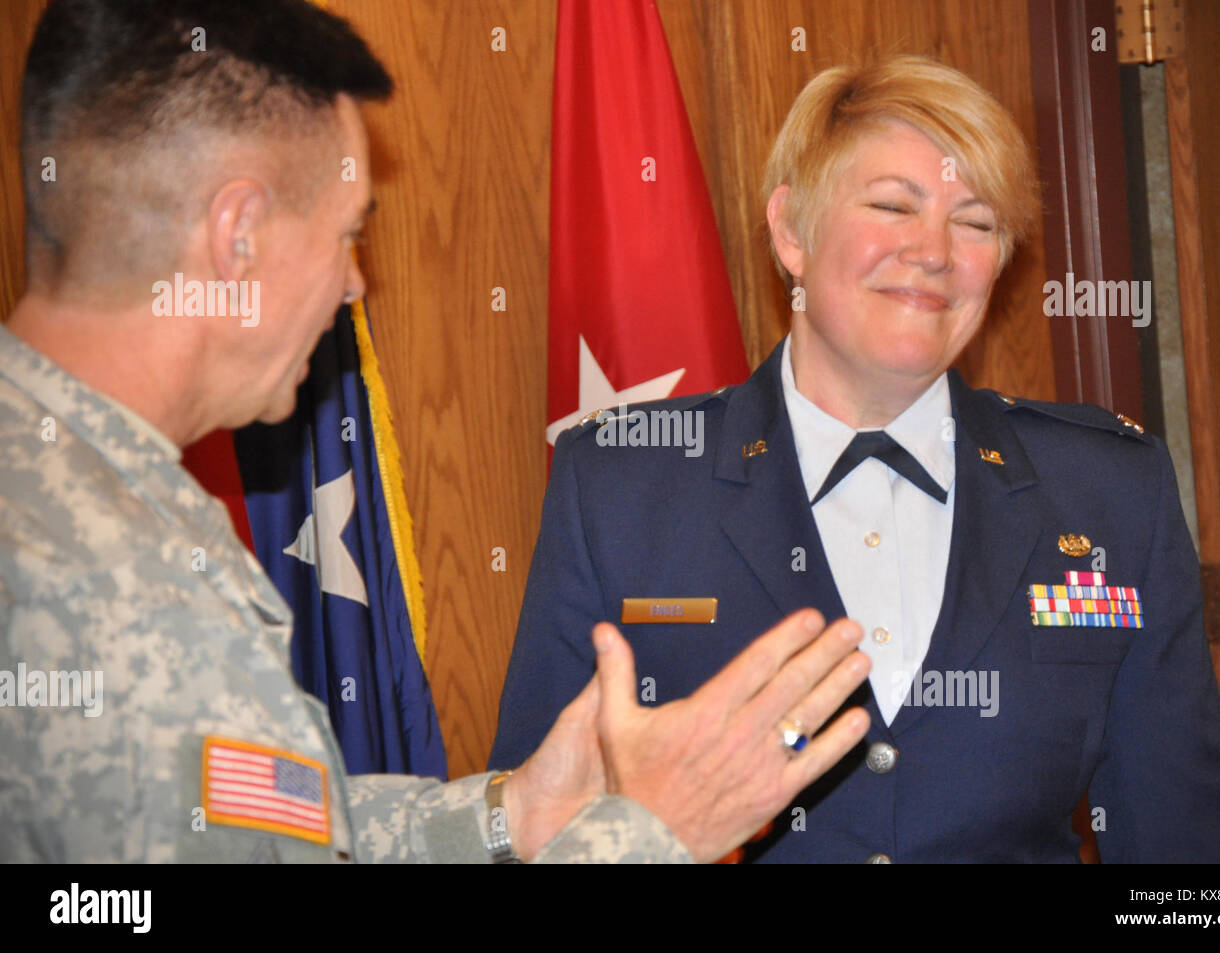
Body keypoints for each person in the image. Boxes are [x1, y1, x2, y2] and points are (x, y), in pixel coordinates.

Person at [0, 0, 874, 864]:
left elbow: (252, 831)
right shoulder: (76, 568)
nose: (352, 286)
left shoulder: (103, 500)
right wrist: (650, 835)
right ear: (239, 236)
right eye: (347, 237)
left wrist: (513, 815)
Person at [490, 56, 1220, 862]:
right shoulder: (621, 484)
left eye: (976, 221)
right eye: (894, 205)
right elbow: (539, 820)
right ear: (791, 231)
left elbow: (1188, 854)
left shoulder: (1107, 491)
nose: (933, 251)